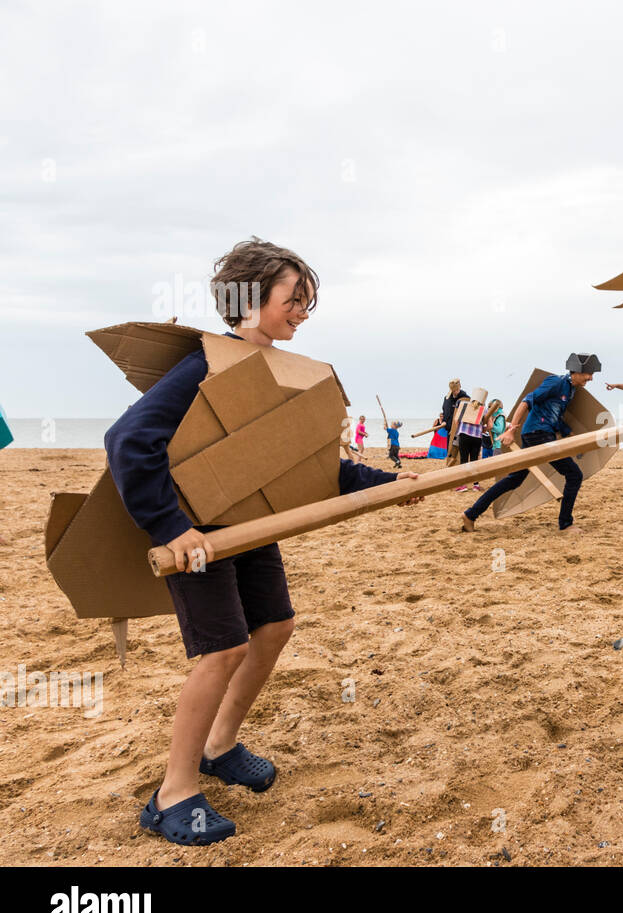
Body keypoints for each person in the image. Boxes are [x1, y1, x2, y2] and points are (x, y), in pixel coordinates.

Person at [104, 238, 425, 846]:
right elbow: (129, 440)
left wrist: (388, 484)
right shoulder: (206, 363)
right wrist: (171, 526)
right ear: (251, 299)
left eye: (307, 301)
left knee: (273, 629)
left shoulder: (288, 373)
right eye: (294, 298)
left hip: (256, 525)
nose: (303, 310)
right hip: (198, 537)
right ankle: (172, 793)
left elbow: (312, 468)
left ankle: (219, 746)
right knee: (220, 651)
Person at [461, 354, 600, 533]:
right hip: (538, 436)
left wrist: (571, 434)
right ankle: (565, 524)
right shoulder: (556, 382)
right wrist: (511, 429)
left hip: (539, 435)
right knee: (574, 475)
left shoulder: (570, 390)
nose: (591, 378)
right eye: (589, 373)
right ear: (578, 371)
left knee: (514, 479)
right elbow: (527, 401)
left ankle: (471, 514)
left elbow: (555, 416)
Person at [451, 388, 487, 492]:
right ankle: (476, 485)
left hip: (464, 435)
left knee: (464, 459)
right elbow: (490, 425)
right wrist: (481, 429)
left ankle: (463, 485)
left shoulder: (464, 405)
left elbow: (456, 421)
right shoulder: (484, 409)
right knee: (474, 460)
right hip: (477, 437)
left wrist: (462, 427)